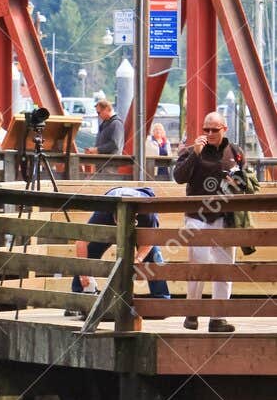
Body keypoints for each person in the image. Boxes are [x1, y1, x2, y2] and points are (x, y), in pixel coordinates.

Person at [172, 110, 244, 333]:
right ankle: (192, 311)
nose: (210, 133)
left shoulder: (235, 152)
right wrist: (195, 153)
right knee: (199, 264)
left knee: (224, 269)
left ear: (224, 129)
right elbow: (179, 177)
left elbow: (244, 181)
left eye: (214, 129)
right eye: (206, 129)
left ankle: (218, 318)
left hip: (224, 216)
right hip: (197, 216)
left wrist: (236, 181)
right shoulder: (191, 151)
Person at [67, 185, 171, 316]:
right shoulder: (103, 214)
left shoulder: (148, 214)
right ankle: (77, 299)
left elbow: (151, 239)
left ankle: (161, 302)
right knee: (91, 251)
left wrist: (138, 259)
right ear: (114, 218)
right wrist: (83, 272)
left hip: (141, 212)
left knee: (154, 256)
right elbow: (81, 240)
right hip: (112, 202)